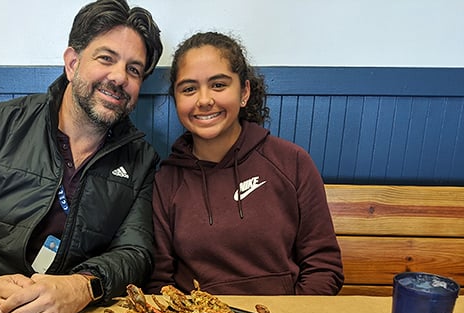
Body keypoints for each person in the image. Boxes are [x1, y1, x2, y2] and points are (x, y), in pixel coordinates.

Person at [0, 0, 162, 313]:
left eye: (134, 69)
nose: (119, 77)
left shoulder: (141, 159)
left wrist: (82, 287)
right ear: (73, 63)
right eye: (106, 58)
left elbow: (136, 252)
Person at [147, 32, 343, 296]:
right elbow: (159, 282)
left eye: (218, 85)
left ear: (244, 92)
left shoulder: (292, 162)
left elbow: (323, 267)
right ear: (176, 99)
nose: (204, 100)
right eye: (189, 89)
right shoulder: (166, 181)